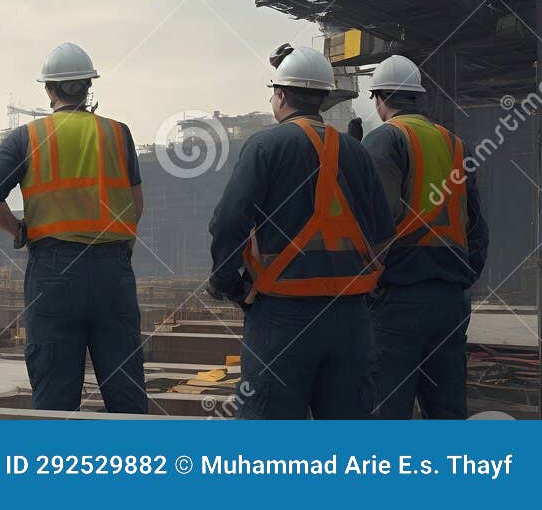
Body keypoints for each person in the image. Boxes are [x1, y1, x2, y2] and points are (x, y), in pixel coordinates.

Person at [208, 46, 395, 419]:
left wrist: (227, 284)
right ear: (323, 97)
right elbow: (384, 231)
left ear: (280, 96)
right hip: (350, 319)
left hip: (282, 316)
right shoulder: (356, 152)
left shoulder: (265, 146)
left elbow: (229, 221)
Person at [0, 42, 148, 413]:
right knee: (126, 393)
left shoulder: (27, 137)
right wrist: (118, 247)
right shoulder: (118, 134)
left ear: (49, 88)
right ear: (88, 86)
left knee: (54, 396)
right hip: (112, 270)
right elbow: (136, 205)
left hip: (53, 271)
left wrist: (18, 230)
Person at [361, 55, 487, 419]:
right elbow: (477, 229)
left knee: (385, 414)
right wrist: (460, 277)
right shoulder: (455, 144)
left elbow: (374, 222)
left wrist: (367, 286)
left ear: (380, 98)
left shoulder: (385, 140)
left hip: (397, 300)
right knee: (447, 414)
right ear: (418, 97)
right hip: (449, 300)